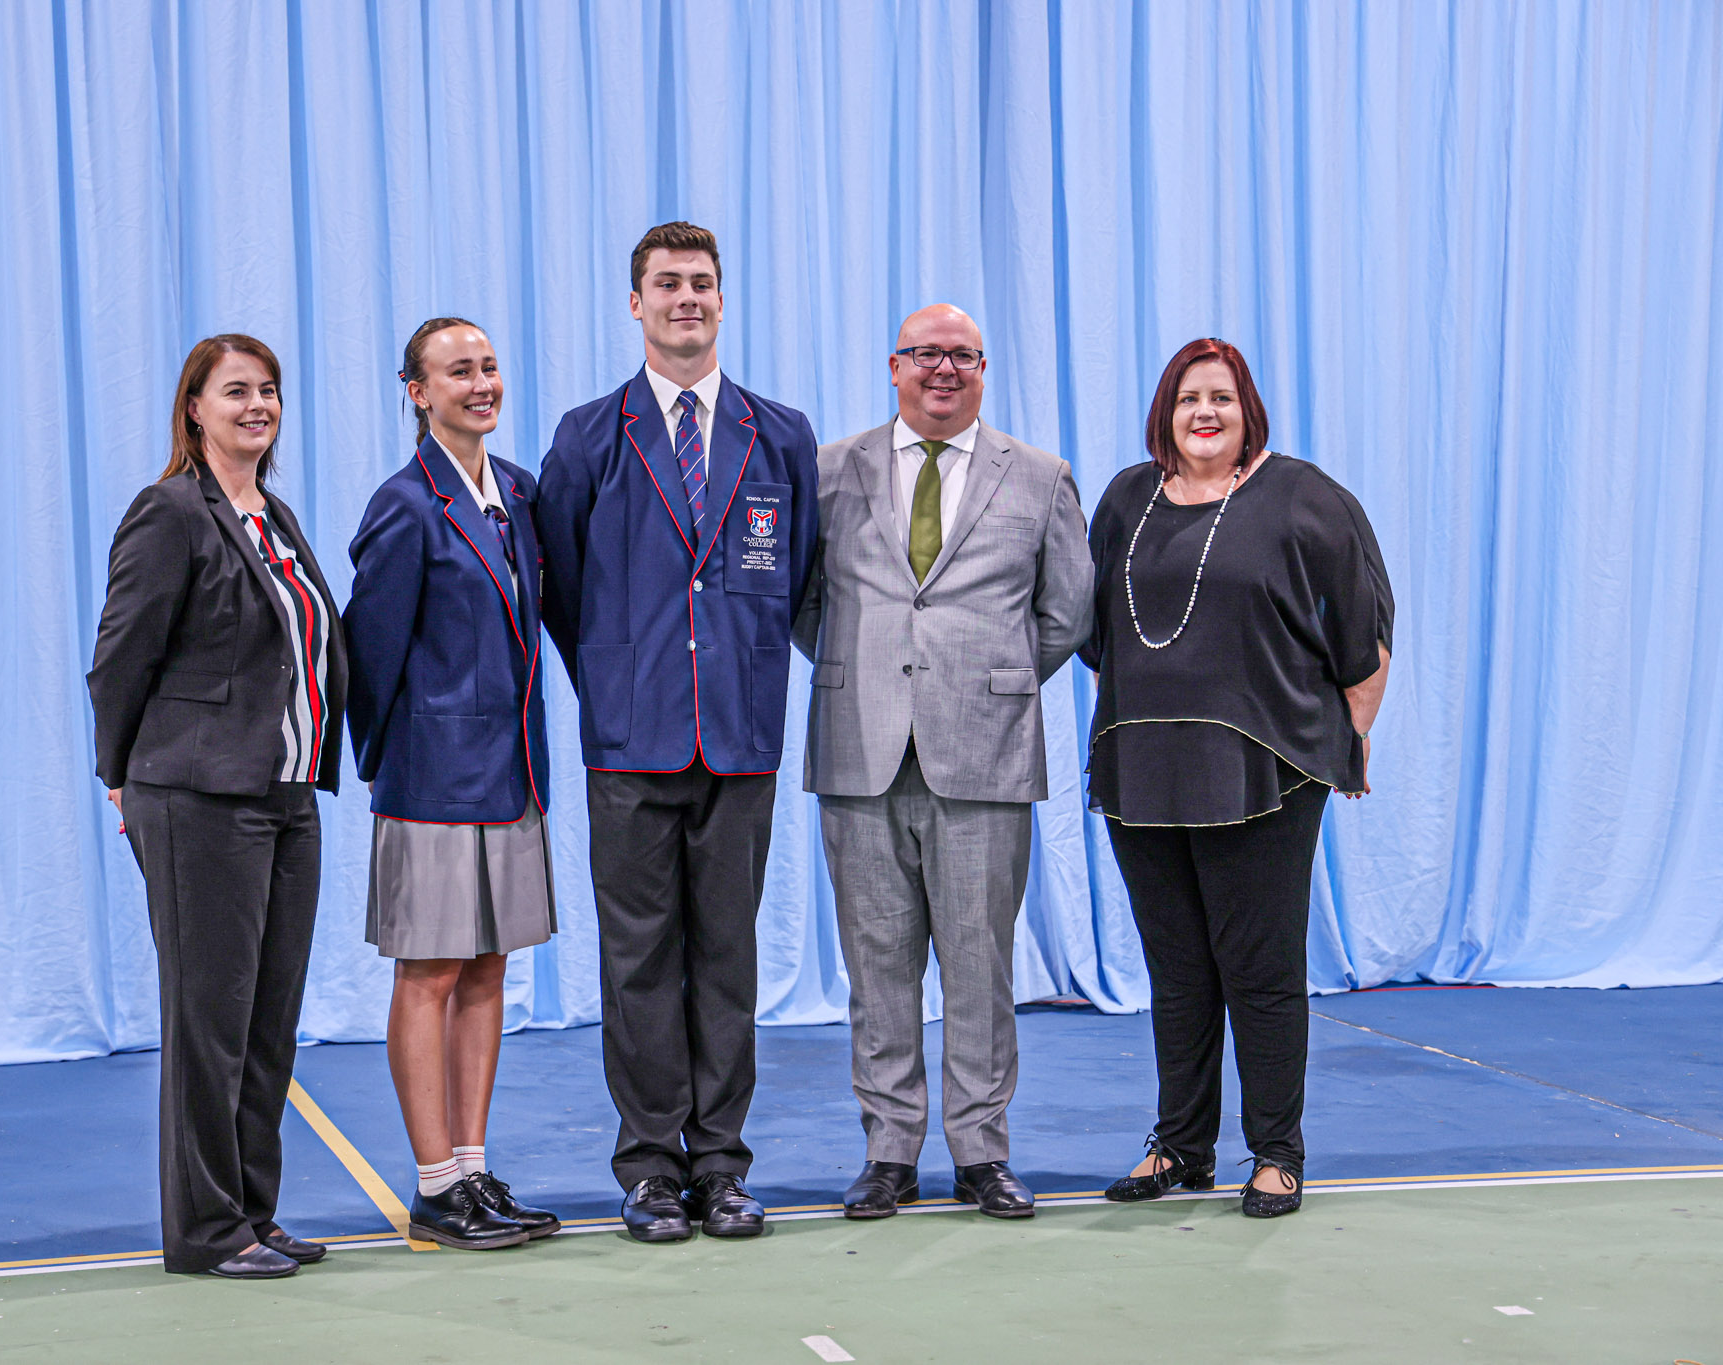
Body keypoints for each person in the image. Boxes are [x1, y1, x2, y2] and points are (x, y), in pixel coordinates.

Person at [536, 222, 819, 1243]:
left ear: (720, 300)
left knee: (727, 959)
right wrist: (621, 677)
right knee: (639, 964)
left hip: (739, 736)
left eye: (700, 282)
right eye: (666, 283)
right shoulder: (588, 436)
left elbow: (797, 572)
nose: (685, 298)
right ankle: (652, 1167)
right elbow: (561, 585)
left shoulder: (778, 434)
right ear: (636, 304)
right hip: (630, 741)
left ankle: (723, 1165)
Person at [793, 305, 1094, 1221]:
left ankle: (980, 1152)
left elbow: (1068, 611)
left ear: (984, 369)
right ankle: (888, 1151)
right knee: (876, 968)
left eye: (962, 355)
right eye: (926, 354)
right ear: (895, 366)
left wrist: (988, 680)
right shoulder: (828, 471)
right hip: (860, 750)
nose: (943, 369)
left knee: (979, 967)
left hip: (985, 754)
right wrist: (869, 673)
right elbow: (801, 603)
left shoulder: (1040, 476)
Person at [1083, 337, 1393, 1218]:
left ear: (1247, 408)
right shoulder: (1128, 498)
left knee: (1258, 969)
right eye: (1188, 398)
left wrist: (1351, 737)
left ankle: (1276, 1152)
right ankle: (1181, 1145)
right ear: (1166, 411)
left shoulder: (1302, 496)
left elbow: (1364, 629)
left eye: (1220, 396)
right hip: (1143, 766)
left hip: (1267, 771)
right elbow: (1096, 631)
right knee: (1178, 971)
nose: (1204, 412)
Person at [89, 334, 347, 1278]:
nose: (257, 405)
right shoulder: (169, 512)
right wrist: (121, 773)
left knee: (266, 1022)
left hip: (285, 796)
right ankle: (205, 1228)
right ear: (194, 408)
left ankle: (252, 1211)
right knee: (210, 1021)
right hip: (195, 797)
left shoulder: (274, 517)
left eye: (269, 389)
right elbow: (120, 656)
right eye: (236, 390)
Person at [344, 318, 560, 1251]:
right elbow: (369, 653)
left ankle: (472, 1168)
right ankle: (435, 1183)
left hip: (511, 774)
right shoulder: (404, 504)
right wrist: (390, 763)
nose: (480, 384)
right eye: (458, 371)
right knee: (429, 971)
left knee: (488, 970)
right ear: (417, 392)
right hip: (431, 781)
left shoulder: (517, 492)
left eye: (489, 367)